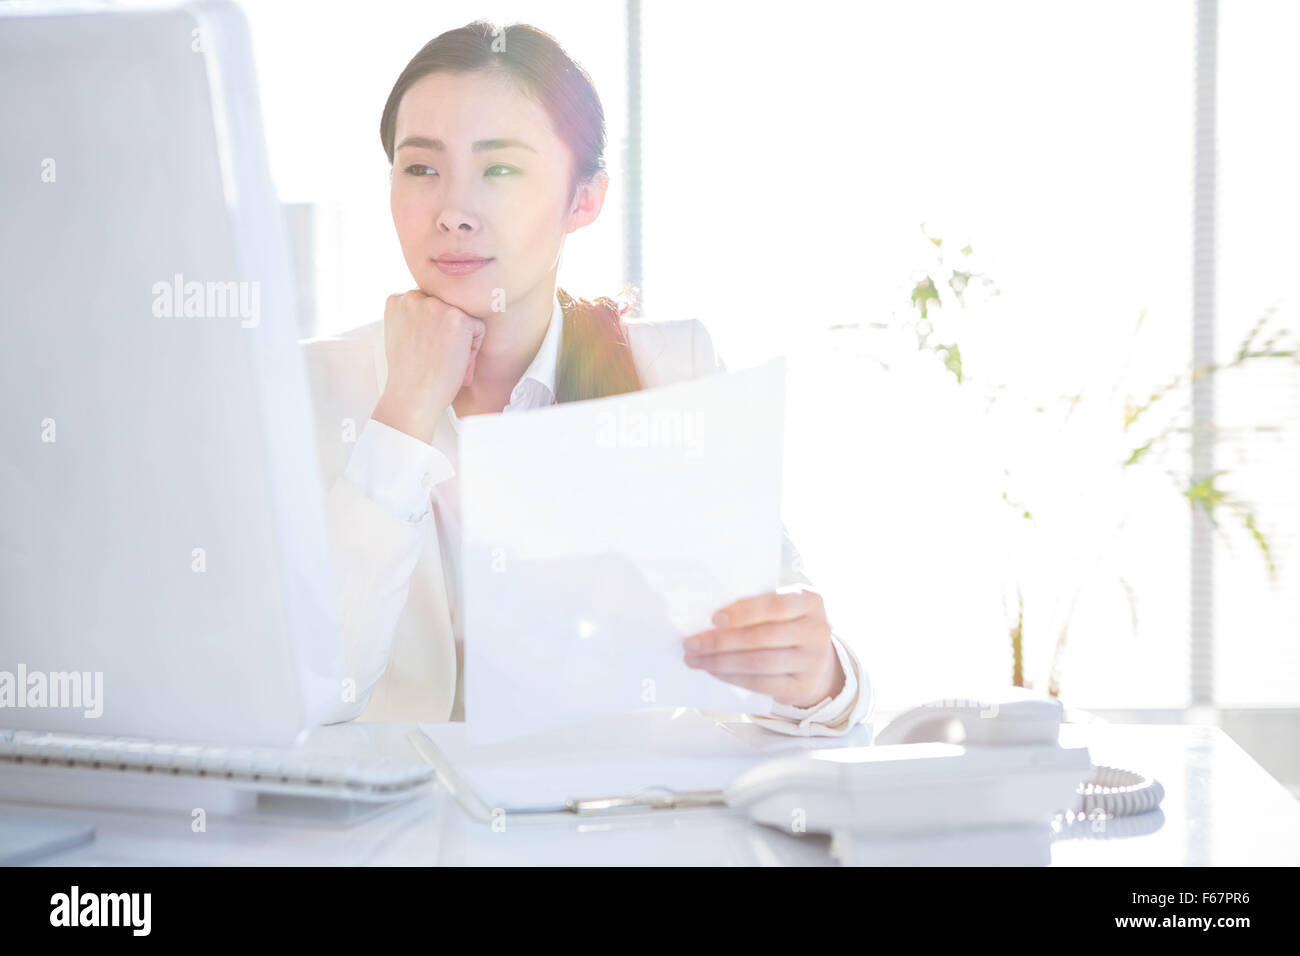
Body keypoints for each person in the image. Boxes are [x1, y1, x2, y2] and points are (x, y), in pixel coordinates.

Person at [301, 21, 872, 736]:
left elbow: (804, 703)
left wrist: (819, 680)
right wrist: (405, 413)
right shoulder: (315, 388)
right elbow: (308, 689)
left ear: (585, 200)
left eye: (500, 168)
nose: (451, 212)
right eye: (421, 169)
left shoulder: (675, 372)